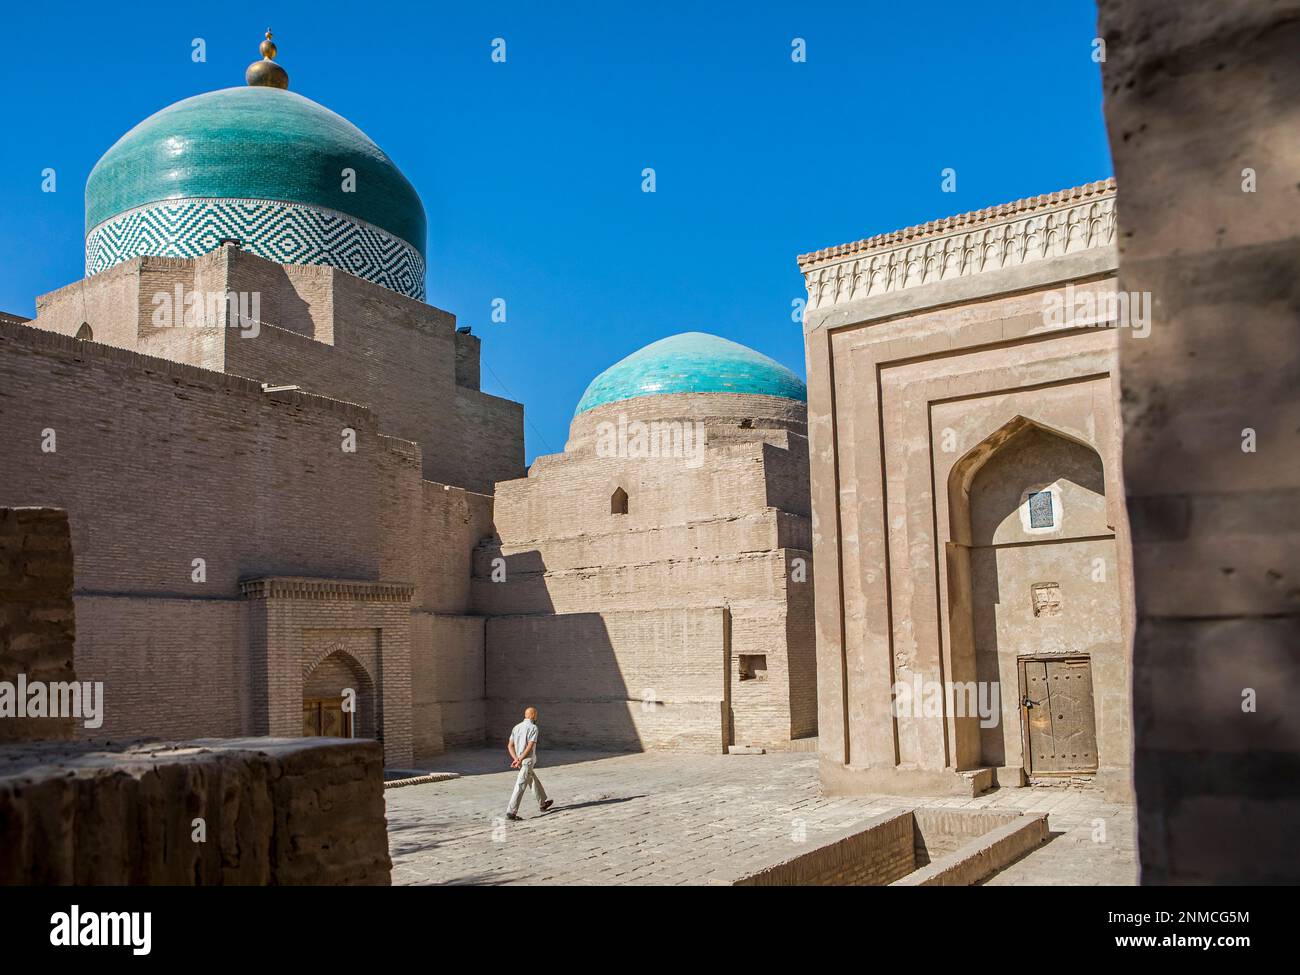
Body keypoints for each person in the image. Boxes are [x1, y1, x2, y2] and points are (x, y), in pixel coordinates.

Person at [505, 706, 554, 820]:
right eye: (536, 714)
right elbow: (530, 746)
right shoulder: (533, 728)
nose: (536, 717)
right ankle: (511, 812)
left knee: (532, 780)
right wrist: (520, 759)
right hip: (526, 760)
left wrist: (516, 758)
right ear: (533, 715)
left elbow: (510, 745)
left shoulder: (516, 727)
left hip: (520, 760)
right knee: (520, 784)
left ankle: (543, 803)